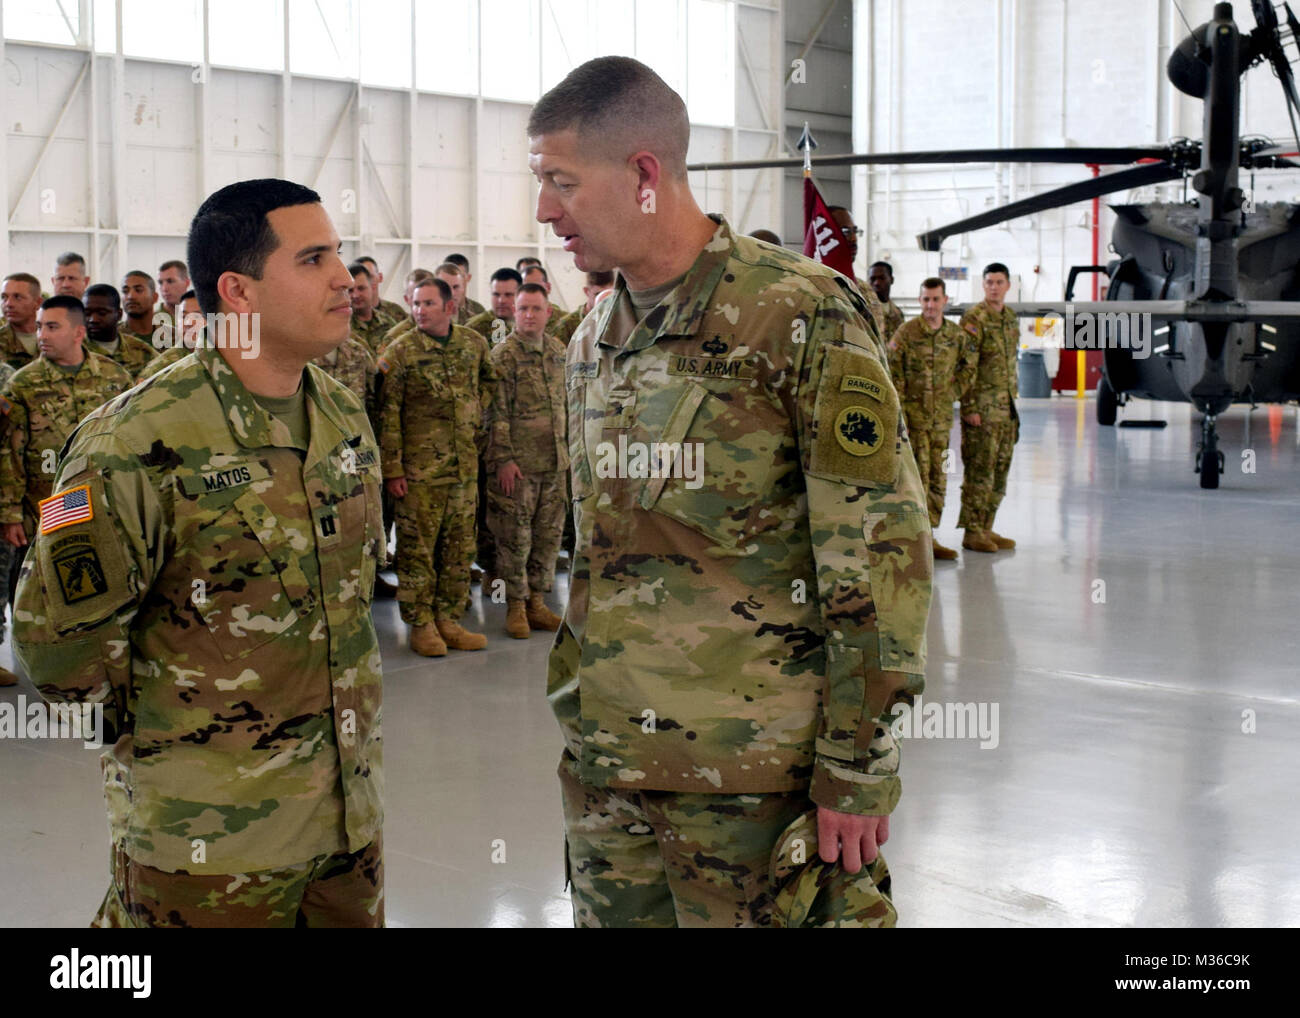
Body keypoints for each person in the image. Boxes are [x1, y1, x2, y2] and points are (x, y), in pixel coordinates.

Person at [529, 56, 931, 928]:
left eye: (561, 182)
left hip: (756, 786)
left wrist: (857, 766)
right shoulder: (589, 340)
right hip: (609, 773)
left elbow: (876, 554)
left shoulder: (796, 315)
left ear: (643, 175)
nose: (544, 212)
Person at [11, 179, 385, 927]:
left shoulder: (340, 413)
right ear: (238, 292)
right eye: (313, 259)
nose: (345, 277)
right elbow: (55, 649)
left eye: (339, 254)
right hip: (207, 849)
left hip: (348, 829)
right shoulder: (127, 444)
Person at [0, 296, 132, 633]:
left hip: (102, 504)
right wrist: (11, 512)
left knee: (96, 587)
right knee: (31, 590)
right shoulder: (23, 384)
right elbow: (9, 452)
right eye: (41, 326)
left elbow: (132, 439)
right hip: (39, 506)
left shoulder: (115, 378)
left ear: (77, 332)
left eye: (52, 326)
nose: (42, 334)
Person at [378, 278, 495, 657]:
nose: (419, 310)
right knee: (417, 552)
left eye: (428, 303)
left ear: (450, 307)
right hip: (419, 475)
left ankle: (449, 619)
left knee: (459, 550)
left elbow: (489, 382)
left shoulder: (473, 345)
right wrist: (393, 470)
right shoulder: (401, 352)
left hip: (464, 470)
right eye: (415, 303)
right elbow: (388, 414)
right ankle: (420, 624)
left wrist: (472, 412)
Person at [484, 282, 566, 639]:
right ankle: (514, 606)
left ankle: (536, 602)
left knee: (548, 537)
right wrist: (503, 459)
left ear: (548, 313)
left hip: (554, 463)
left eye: (536, 309)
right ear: (514, 313)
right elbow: (495, 411)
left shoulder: (559, 351)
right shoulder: (504, 355)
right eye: (523, 309)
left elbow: (568, 404)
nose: (529, 315)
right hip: (518, 466)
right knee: (513, 539)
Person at [886, 277, 977, 560]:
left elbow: (968, 367)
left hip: (941, 424)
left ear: (944, 301)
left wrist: (953, 391)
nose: (930, 305)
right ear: (919, 300)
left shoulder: (955, 335)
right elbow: (893, 374)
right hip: (913, 423)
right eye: (925, 299)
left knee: (939, 480)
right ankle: (914, 539)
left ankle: (930, 536)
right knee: (916, 480)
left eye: (935, 299)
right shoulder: (906, 333)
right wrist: (900, 413)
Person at [958, 262, 1019, 554]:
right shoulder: (974, 319)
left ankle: (986, 526)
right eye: (989, 282)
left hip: (1006, 411)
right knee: (979, 473)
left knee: (999, 472)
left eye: (999, 282)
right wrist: (969, 406)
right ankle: (972, 531)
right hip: (981, 411)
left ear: (1008, 285)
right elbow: (965, 366)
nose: (994, 287)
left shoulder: (1011, 319)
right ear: (983, 286)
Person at [826, 205, 888, 340]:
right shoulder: (812, 287)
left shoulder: (864, 289)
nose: (854, 239)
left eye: (855, 231)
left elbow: (879, 343)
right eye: (846, 232)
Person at [83, 284, 158, 378]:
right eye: (87, 313)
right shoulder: (75, 351)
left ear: (119, 315)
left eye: (102, 313)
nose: (93, 319)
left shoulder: (141, 351)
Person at [137, 289, 205, 378]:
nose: (188, 322)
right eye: (183, 316)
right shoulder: (160, 368)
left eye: (197, 316)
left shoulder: (226, 356)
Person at [551, 269, 614, 344]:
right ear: (586, 291)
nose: (603, 300)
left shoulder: (618, 321)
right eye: (597, 294)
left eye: (608, 295)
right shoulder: (566, 326)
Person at [464, 268, 521, 344]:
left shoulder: (530, 324)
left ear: (520, 295)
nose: (501, 301)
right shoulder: (474, 329)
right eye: (496, 294)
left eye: (508, 295)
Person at [0, 272, 42, 368]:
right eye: (4, 297)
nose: (8, 304)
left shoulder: (54, 338)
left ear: (38, 302)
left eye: (17, 297)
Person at [347, 262, 390, 355]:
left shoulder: (388, 323)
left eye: (361, 288)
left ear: (372, 287)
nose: (355, 295)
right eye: (350, 290)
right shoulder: (342, 328)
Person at [356, 255, 406, 323]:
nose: (366, 283)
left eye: (370, 277)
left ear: (380, 277)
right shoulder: (346, 315)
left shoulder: (396, 312)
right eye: (361, 279)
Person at [119, 271, 160, 344]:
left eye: (138, 290)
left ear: (154, 297)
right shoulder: (113, 337)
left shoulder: (172, 337)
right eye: (125, 291)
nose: (130, 296)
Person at [868, 261, 905, 341]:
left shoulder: (898, 313)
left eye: (882, 278)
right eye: (873, 279)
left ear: (891, 280)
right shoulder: (864, 310)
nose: (876, 283)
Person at [156, 259, 190, 344]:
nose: (164, 288)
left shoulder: (202, 317)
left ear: (186, 283)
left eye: (170, 281)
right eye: (160, 283)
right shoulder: (151, 321)